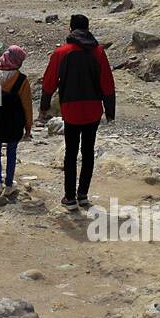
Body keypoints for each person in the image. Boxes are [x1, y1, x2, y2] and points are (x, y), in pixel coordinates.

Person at [40, 14, 117, 212]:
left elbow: (48, 83)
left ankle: (69, 198)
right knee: (88, 152)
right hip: (93, 110)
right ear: (88, 28)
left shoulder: (61, 53)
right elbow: (107, 83)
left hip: (71, 110)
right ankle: (83, 195)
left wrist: (44, 106)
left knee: (71, 153)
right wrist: (110, 111)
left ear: (71, 29)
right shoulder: (98, 52)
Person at [0, 45, 33, 201]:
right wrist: (28, 126)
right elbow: (27, 105)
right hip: (15, 123)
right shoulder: (21, 80)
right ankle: (9, 184)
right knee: (11, 153)